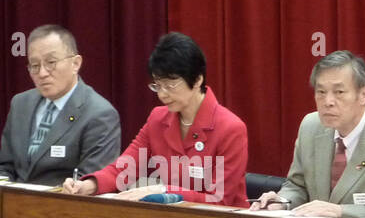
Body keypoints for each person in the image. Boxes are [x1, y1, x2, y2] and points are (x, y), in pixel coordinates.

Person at [63, 32, 248, 207]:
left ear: (198, 79)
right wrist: (89, 185)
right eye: (157, 85)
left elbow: (220, 200)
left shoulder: (230, 128)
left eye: (170, 85)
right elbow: (124, 168)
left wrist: (165, 191)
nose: (162, 94)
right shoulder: (158, 119)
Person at [253, 51, 365, 218]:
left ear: (363, 95)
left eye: (339, 92)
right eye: (321, 92)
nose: (328, 101)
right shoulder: (310, 127)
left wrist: (340, 212)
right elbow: (298, 185)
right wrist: (282, 202)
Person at [0, 24, 121, 185]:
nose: (42, 73)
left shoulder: (99, 114)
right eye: (35, 65)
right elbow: (5, 167)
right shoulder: (20, 104)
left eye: (51, 62)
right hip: (12, 203)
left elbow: (88, 182)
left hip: (62, 205)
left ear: (75, 63)